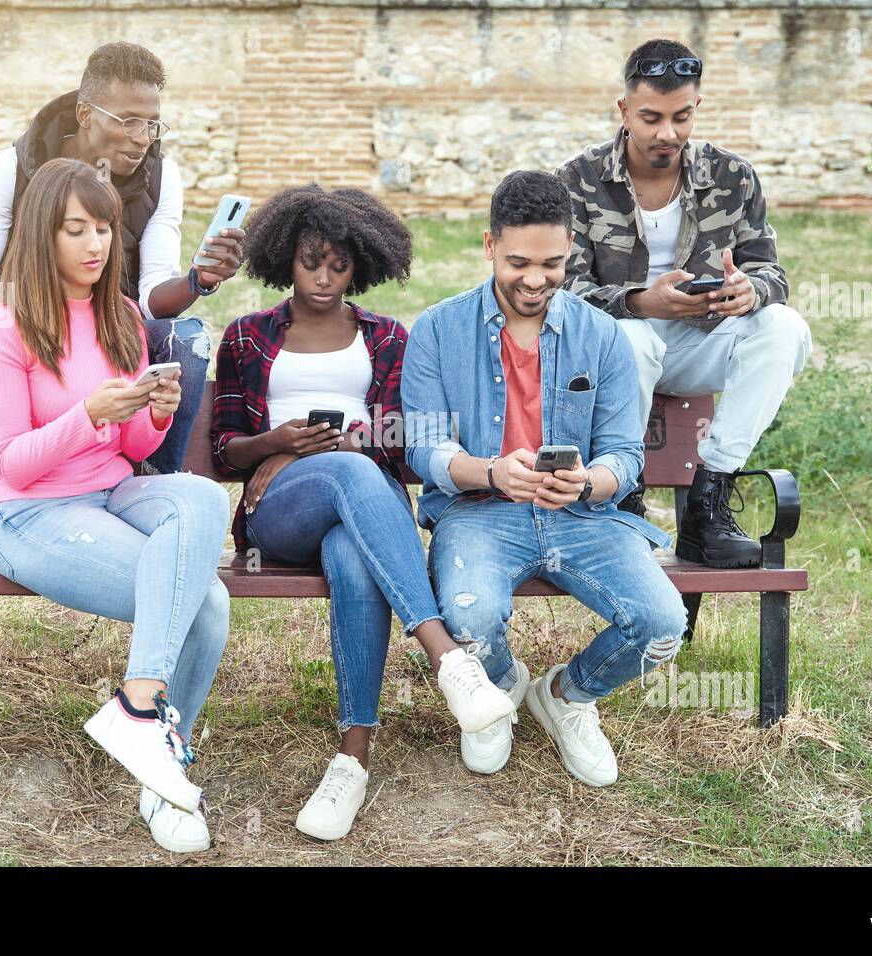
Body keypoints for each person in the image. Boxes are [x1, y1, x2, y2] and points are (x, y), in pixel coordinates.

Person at [211, 184, 516, 841]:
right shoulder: (246, 336)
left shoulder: (386, 337)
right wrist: (279, 447)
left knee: (354, 553)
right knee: (351, 473)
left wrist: (353, 441)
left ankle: (352, 758)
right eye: (310, 263)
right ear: (283, 260)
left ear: (361, 265)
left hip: (363, 512)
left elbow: (406, 438)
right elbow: (225, 447)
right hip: (279, 518)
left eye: (339, 265)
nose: (324, 278)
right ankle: (447, 658)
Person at [0, 42, 244, 556]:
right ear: (86, 113)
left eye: (153, 124)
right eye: (130, 121)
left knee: (188, 339)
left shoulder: (161, 178)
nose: (143, 139)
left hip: (114, 326)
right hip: (29, 321)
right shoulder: (14, 166)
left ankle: (147, 481)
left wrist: (199, 281)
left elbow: (155, 297)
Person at [0, 158, 232, 853]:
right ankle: (161, 764)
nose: (95, 244)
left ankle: (140, 719)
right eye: (75, 229)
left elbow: (133, 444)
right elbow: (6, 466)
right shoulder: (4, 327)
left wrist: (154, 411)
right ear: (40, 234)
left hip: (113, 491)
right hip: (31, 513)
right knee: (205, 602)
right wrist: (88, 413)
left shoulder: (119, 313)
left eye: (106, 228)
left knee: (202, 495)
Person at [402, 170, 689, 787]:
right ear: (488, 247)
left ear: (570, 254)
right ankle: (500, 687)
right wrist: (491, 472)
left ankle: (565, 694)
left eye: (552, 263)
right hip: (478, 511)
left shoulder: (603, 335)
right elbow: (424, 448)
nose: (535, 280)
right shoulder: (436, 330)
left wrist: (588, 483)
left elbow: (623, 455)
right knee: (470, 619)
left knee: (663, 626)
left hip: (580, 515)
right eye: (518, 262)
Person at [556, 37, 812, 568]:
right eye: (650, 117)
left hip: (700, 342)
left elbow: (770, 270)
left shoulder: (731, 176)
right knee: (631, 338)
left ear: (697, 109)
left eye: (681, 116)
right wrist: (640, 301)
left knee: (784, 327)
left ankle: (709, 503)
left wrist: (752, 290)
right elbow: (559, 290)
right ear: (623, 109)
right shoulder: (576, 180)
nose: (666, 133)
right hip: (617, 351)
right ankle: (624, 500)